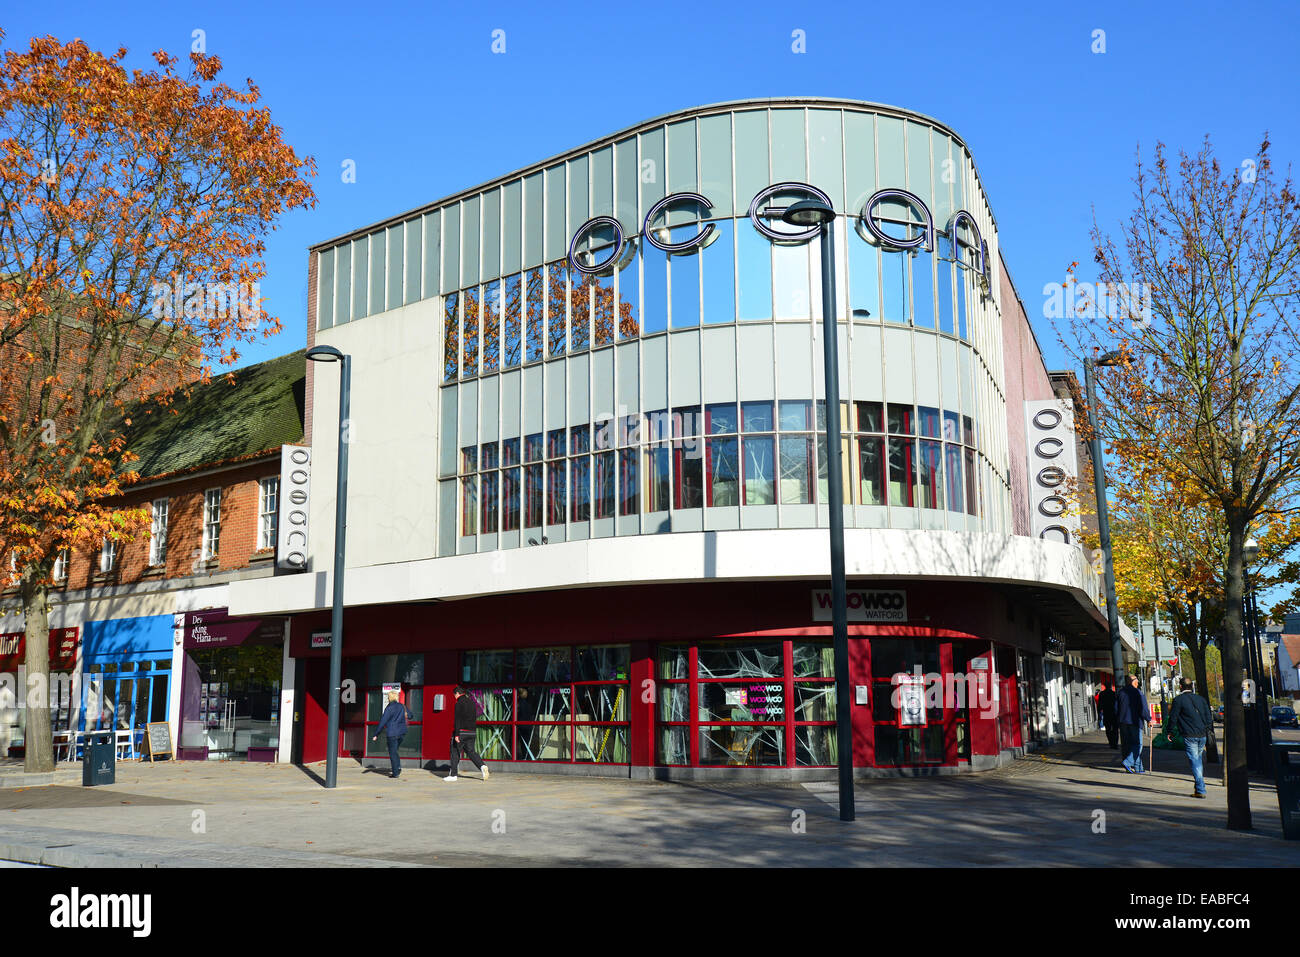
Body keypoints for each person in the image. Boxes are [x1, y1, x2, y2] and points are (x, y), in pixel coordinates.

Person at [1166, 678, 1213, 798]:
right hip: (1202, 734)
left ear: (1180, 687)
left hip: (1189, 734)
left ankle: (1201, 789)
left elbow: (1173, 717)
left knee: (1194, 761)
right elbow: (1209, 717)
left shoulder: (1178, 700)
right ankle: (1198, 788)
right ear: (1191, 686)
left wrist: (1170, 731)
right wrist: (1206, 729)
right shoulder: (1201, 699)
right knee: (1198, 760)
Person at [445, 686, 489, 782]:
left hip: (462, 732)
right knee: (471, 752)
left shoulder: (459, 703)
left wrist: (457, 734)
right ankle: (482, 766)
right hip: (472, 732)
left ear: (457, 693)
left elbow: (457, 720)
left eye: (454, 695)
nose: (454, 697)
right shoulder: (472, 703)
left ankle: (453, 775)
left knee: (455, 751)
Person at [1116, 673, 1153, 773]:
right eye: (1137, 681)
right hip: (1134, 722)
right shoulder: (1138, 693)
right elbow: (1143, 708)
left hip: (1123, 722)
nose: (1138, 683)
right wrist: (1148, 719)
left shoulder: (1120, 693)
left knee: (1129, 745)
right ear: (1133, 682)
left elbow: (1116, 708)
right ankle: (1128, 762)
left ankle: (1138, 768)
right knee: (1137, 745)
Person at [371, 689, 410, 779]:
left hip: (392, 733)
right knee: (394, 751)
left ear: (389, 698)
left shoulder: (389, 708)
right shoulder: (402, 706)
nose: (387, 698)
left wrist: (376, 734)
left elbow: (383, 722)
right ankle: (398, 767)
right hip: (402, 733)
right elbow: (411, 715)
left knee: (392, 753)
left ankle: (395, 773)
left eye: (388, 697)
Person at [1098, 681, 1119, 750]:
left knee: (1108, 729)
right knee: (1115, 729)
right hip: (1114, 714)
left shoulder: (1102, 694)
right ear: (1110, 686)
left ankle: (1111, 742)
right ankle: (1115, 743)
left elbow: (1099, 704)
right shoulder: (1114, 693)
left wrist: (1099, 713)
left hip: (1106, 713)